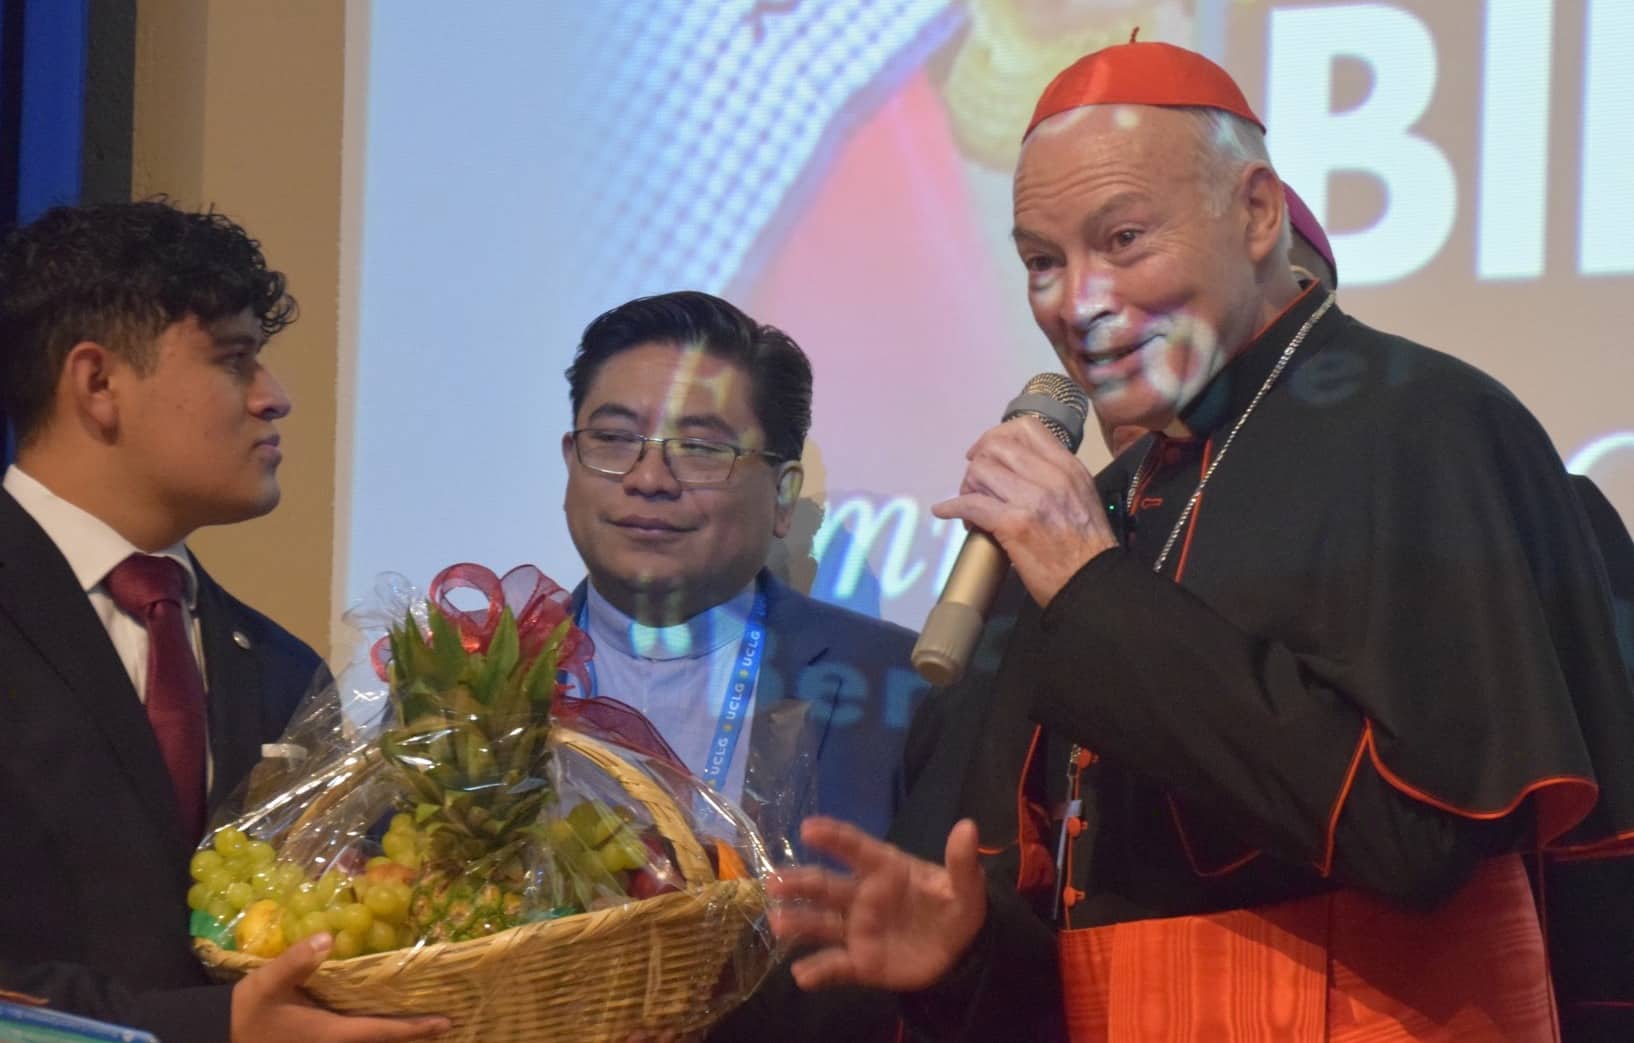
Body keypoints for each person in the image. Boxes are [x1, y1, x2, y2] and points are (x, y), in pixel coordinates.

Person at [768, 40, 1634, 1042]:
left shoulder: (1424, 423)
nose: (1077, 302)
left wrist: (1093, 587)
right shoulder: (1110, 497)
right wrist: (962, 951)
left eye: (1123, 239)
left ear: (1257, 214)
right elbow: (1097, 932)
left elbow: (1414, 836)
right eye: (1042, 262)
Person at [0, 201, 449, 1043]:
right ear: (98, 384)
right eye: (234, 360)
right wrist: (215, 1028)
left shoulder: (282, 669)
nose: (274, 398)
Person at [558, 290, 928, 1039]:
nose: (649, 477)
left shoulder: (899, 686)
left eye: (700, 448)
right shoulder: (464, 686)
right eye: (615, 438)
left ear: (784, 496)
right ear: (571, 461)